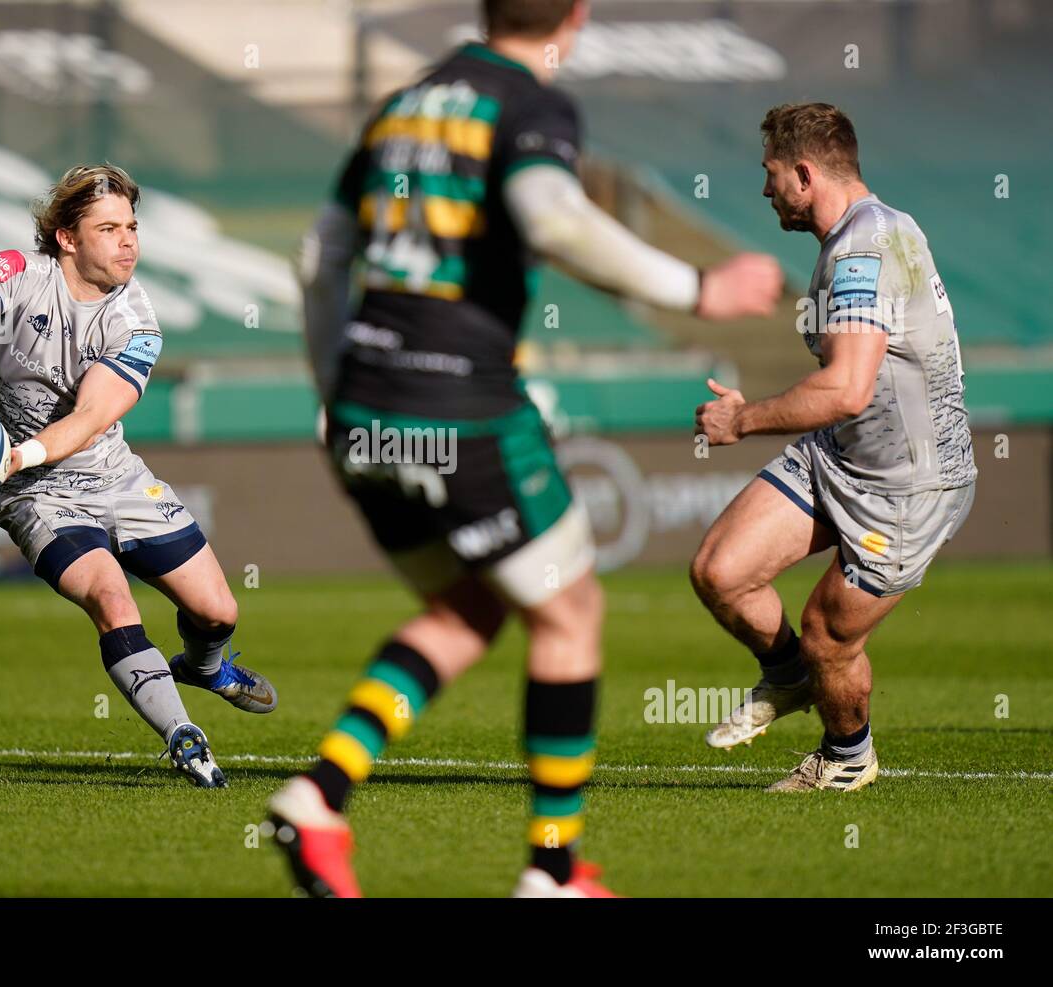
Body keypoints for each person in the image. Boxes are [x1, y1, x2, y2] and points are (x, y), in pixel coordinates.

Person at [269, 0, 783, 896]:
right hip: (458, 402)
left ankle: (317, 798)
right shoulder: (528, 103)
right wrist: (695, 288)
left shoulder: (403, 106)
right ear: (575, 16)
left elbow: (320, 258)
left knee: (467, 611)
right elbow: (551, 218)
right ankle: (551, 870)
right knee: (571, 612)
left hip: (365, 403)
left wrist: (334, 394)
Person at [0, 164, 277, 788]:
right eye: (109, 227)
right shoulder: (19, 276)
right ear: (66, 236)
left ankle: (206, 667)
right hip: (41, 497)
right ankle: (181, 733)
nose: (128, 240)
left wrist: (12, 455)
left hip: (116, 479)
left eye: (132, 226)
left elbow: (88, 418)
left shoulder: (137, 319)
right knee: (112, 600)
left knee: (218, 611)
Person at [691, 103, 976, 791]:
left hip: (908, 487)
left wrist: (743, 419)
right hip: (843, 454)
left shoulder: (861, 250)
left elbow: (846, 388)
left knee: (827, 633)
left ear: (804, 173)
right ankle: (787, 678)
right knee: (720, 571)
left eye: (770, 175)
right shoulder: (866, 231)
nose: (765, 191)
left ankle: (847, 756)